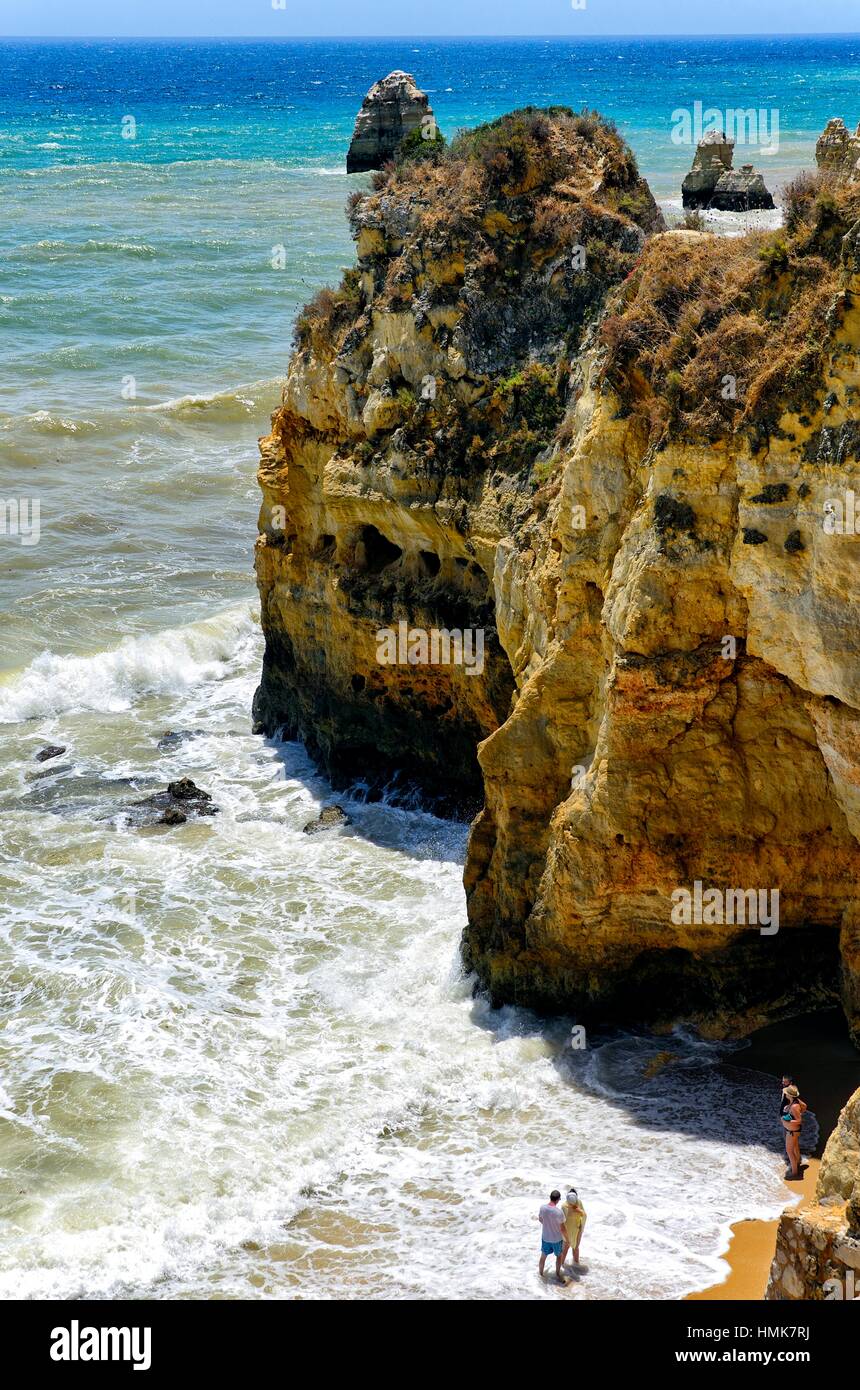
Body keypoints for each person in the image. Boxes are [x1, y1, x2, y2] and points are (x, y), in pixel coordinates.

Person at [537, 1190, 566, 1283]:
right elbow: (562, 1228)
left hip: (545, 1237)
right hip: (556, 1239)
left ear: (550, 1197)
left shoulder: (542, 1208)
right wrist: (568, 1239)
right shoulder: (559, 1212)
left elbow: (540, 1219)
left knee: (543, 1256)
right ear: (558, 1200)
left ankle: (540, 1274)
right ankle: (557, 1274)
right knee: (559, 1256)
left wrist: (547, 1225)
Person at [781, 1084, 807, 1180]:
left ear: (790, 1095)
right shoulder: (795, 1102)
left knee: (789, 1151)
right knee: (795, 1146)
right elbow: (805, 1106)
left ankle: (794, 1173)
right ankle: (798, 1161)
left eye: (786, 1093)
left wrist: (787, 1121)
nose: (785, 1094)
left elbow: (799, 1120)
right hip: (795, 1130)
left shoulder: (794, 1107)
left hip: (792, 1131)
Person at [561, 1187, 586, 1268]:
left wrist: (579, 1210)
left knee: (575, 1247)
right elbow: (561, 1220)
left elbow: (584, 1215)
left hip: (576, 1230)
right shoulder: (564, 1206)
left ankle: (576, 1264)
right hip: (567, 1230)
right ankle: (561, 1265)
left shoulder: (579, 1203)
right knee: (566, 1248)